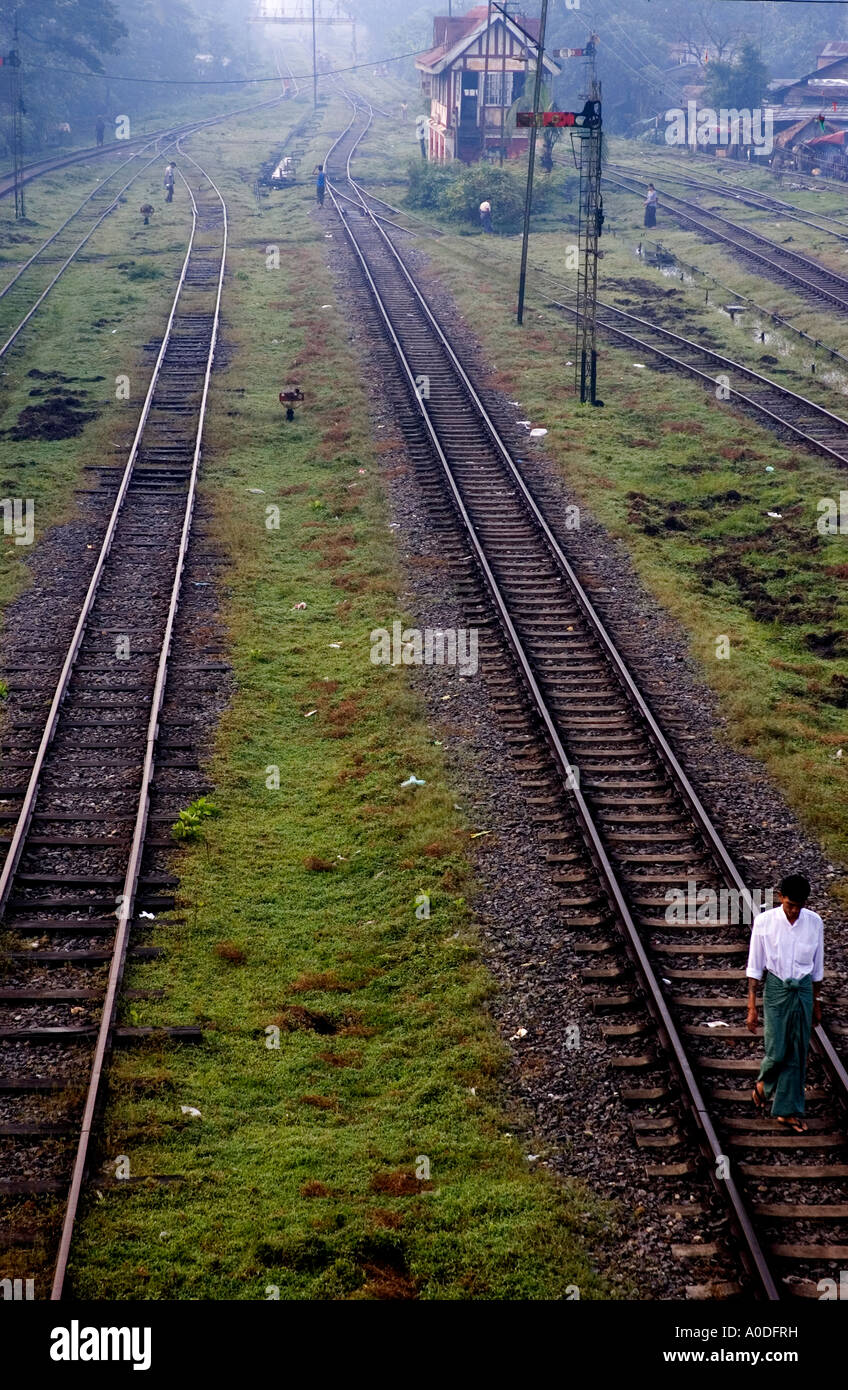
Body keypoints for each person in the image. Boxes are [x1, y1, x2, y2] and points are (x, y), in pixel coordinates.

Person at [746, 873, 824, 1134]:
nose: (794, 911)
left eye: (799, 906)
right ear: (780, 898)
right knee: (777, 1049)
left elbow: (817, 969)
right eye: (790, 905)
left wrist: (816, 1003)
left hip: (802, 989)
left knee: (798, 1051)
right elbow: (755, 968)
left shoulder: (814, 923)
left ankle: (787, 1110)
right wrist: (751, 1007)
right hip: (777, 988)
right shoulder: (765, 922)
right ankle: (764, 1085)